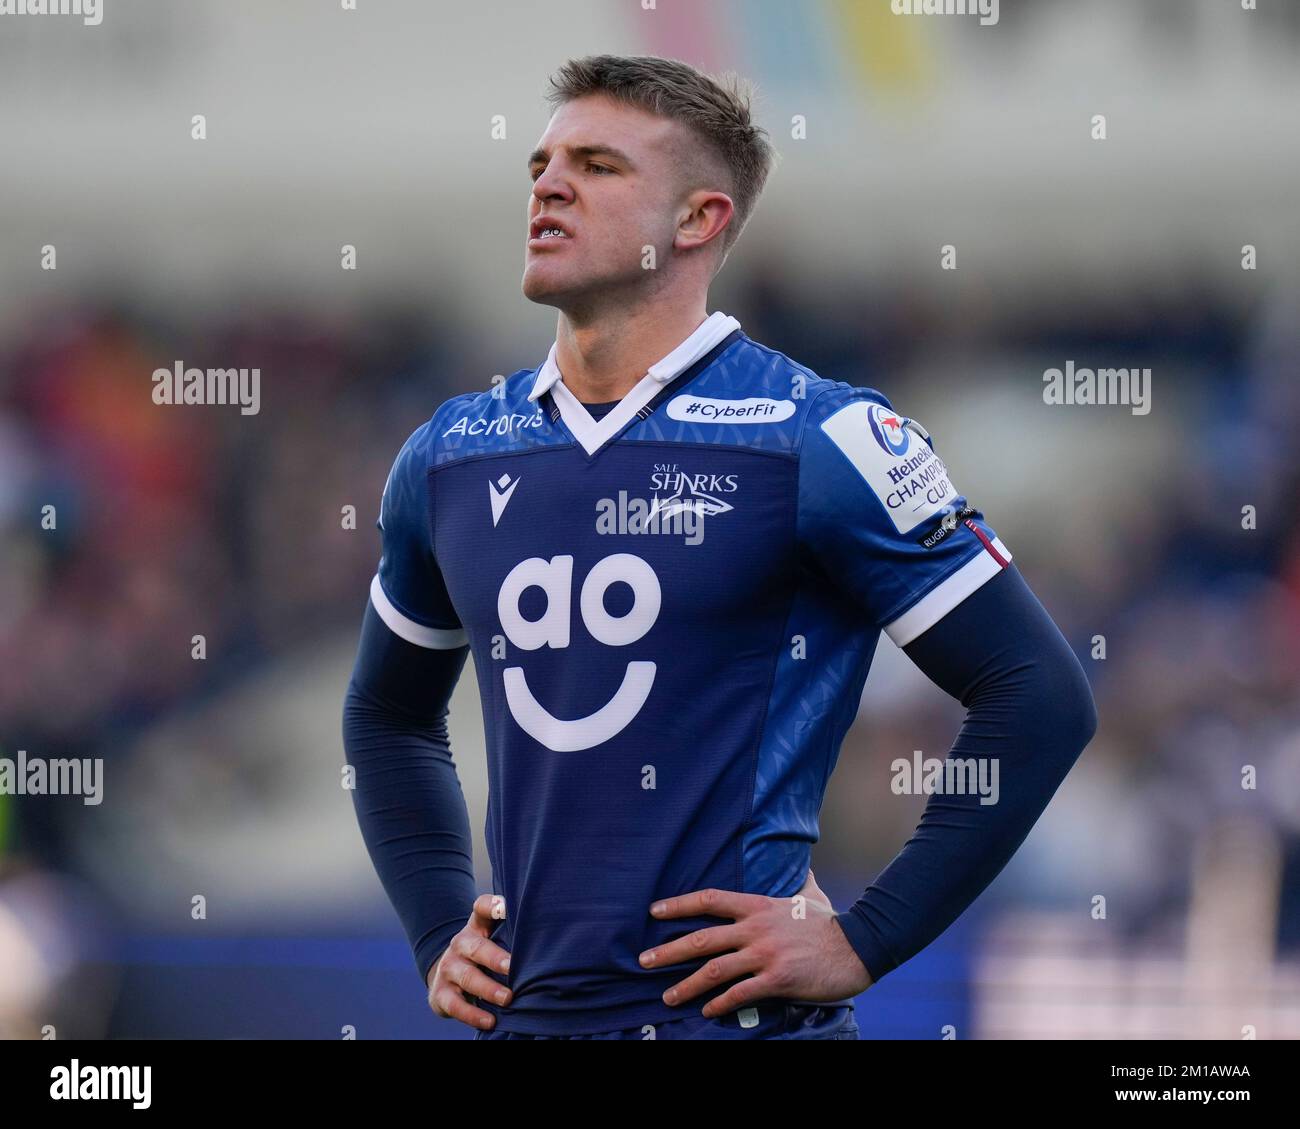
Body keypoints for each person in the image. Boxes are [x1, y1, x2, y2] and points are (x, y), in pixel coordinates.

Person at [342, 54, 1096, 1041]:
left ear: (698, 220)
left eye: (600, 166)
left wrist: (868, 936)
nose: (549, 184)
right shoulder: (448, 455)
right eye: (541, 162)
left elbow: (1037, 694)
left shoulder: (818, 439)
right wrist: (439, 924)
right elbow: (390, 716)